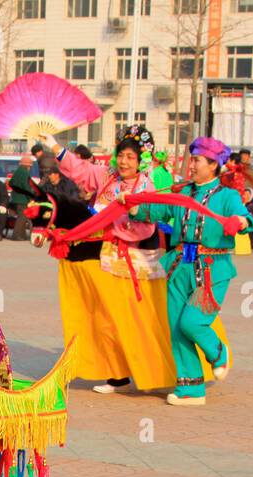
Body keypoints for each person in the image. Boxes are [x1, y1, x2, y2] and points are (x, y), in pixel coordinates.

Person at [57, 125, 189, 395]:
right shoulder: (109, 177)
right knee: (106, 318)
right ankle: (116, 375)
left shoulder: (145, 187)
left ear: (141, 159)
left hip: (134, 262)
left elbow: (144, 228)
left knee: (139, 321)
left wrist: (115, 220)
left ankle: (163, 371)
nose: (125, 161)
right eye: (121, 155)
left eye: (131, 156)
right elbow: (81, 170)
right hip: (106, 258)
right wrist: (54, 146)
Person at [127, 136, 252, 407]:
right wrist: (134, 207)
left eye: (196, 161)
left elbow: (245, 218)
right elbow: (156, 210)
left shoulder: (227, 196)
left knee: (192, 322)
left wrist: (239, 222)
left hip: (212, 269)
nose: (190, 165)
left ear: (213, 165)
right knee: (175, 328)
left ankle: (218, 352)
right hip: (179, 267)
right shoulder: (182, 193)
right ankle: (191, 389)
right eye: (191, 159)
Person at [9, 154, 37, 240]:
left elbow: (11, 182)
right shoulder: (25, 173)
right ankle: (16, 235)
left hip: (15, 198)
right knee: (22, 218)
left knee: (22, 217)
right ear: (28, 165)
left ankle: (22, 235)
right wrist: (31, 198)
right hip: (22, 199)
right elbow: (26, 187)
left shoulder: (17, 171)